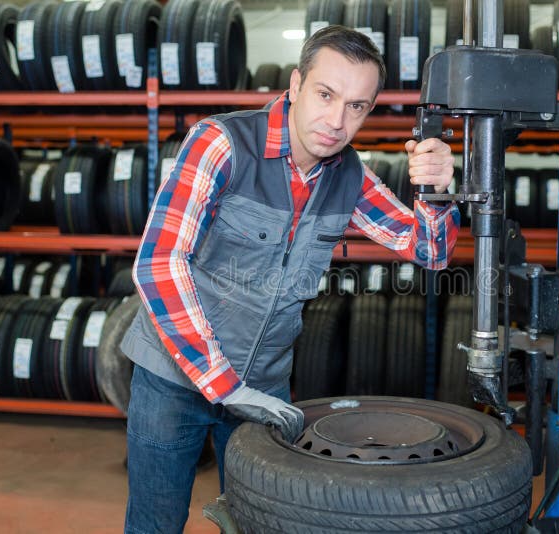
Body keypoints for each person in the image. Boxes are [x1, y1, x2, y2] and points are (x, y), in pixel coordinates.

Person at [120, 25, 460, 533]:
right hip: (175, 381)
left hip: (264, 388)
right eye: (326, 94)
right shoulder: (223, 144)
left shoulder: (349, 176)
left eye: (357, 106)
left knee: (260, 523)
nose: (337, 120)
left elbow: (430, 250)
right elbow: (158, 264)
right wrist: (221, 383)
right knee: (156, 523)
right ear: (297, 85)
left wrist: (437, 188)